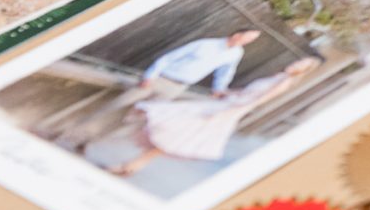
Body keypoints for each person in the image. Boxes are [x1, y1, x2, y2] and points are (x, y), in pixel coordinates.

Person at [105, 57, 323, 177]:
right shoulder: (279, 76)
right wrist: (228, 93)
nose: (295, 64)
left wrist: (227, 108)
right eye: (297, 61)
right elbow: (247, 93)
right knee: (176, 132)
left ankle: (131, 165)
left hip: (226, 111)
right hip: (226, 103)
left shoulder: (282, 82)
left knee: (178, 132)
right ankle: (133, 165)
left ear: (304, 70)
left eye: (300, 64)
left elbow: (256, 101)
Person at [57, 29, 262, 152]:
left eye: (252, 40)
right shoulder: (205, 45)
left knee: (134, 118)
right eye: (248, 37)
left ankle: (87, 143)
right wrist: (149, 75)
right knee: (114, 106)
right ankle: (63, 133)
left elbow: (224, 73)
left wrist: (219, 90)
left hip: (175, 88)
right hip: (158, 80)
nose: (248, 41)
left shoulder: (235, 54)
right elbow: (168, 58)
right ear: (237, 34)